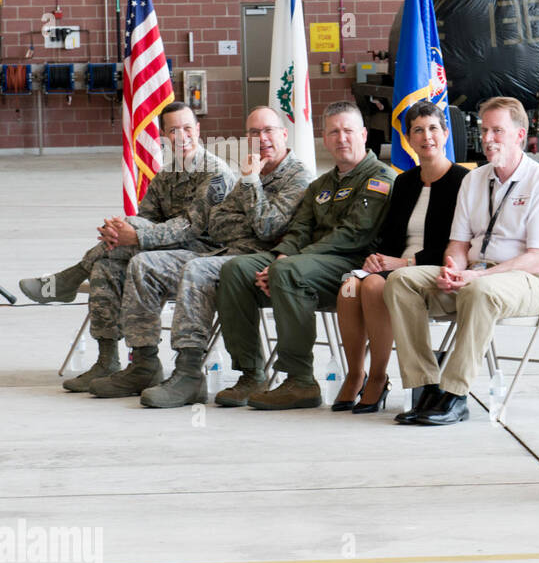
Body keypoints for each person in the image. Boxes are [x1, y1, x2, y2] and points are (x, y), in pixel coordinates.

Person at [19, 102, 233, 392]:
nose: (181, 136)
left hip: (204, 255)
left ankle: (69, 279)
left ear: (197, 129)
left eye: (186, 128)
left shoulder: (215, 174)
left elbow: (190, 227)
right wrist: (119, 233)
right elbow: (146, 217)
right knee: (106, 264)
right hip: (169, 249)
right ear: (164, 135)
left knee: (135, 243)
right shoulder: (168, 175)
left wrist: (136, 236)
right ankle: (108, 360)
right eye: (173, 130)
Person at [384, 96, 539, 426]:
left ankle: (455, 395)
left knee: (478, 291)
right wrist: (453, 269)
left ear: (519, 135)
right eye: (484, 131)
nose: (487, 139)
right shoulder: (474, 179)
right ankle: (425, 386)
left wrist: (477, 277)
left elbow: (537, 258)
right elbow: (458, 244)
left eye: (497, 131)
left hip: (528, 281)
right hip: (475, 275)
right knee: (401, 281)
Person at [127, 107, 313, 407]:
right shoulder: (254, 171)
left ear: (283, 134)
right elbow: (218, 224)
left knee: (197, 270)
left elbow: (267, 228)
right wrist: (253, 218)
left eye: (268, 130)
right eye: (254, 133)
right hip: (227, 252)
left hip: (266, 262)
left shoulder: (297, 176)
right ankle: (142, 364)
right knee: (144, 264)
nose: (262, 139)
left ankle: (189, 374)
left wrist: (251, 186)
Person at [214, 101, 393, 410]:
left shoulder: (379, 178)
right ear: (324, 138)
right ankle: (251, 373)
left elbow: (353, 235)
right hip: (309, 263)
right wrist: (282, 257)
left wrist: (289, 264)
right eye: (333, 132)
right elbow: (300, 230)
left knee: (287, 272)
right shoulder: (321, 184)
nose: (341, 138)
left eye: (348, 131)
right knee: (236, 270)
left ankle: (300, 381)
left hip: (354, 266)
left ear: (364, 134)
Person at [333, 101, 467, 414]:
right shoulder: (405, 181)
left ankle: (378, 377)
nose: (426, 136)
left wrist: (404, 264)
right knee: (349, 287)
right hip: (395, 266)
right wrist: (377, 259)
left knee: (372, 286)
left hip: (433, 269)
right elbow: (391, 236)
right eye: (417, 130)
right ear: (408, 139)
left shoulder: (462, 181)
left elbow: (458, 244)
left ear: (445, 134)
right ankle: (355, 374)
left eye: (433, 128)